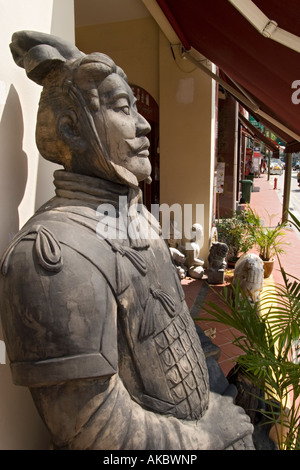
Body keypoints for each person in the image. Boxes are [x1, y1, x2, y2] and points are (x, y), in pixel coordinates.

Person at [0, 31, 254, 450]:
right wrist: (206, 440)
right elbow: (92, 428)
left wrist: (217, 400)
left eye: (136, 107)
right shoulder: (53, 256)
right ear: (72, 129)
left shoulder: (136, 219)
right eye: (122, 107)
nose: (143, 123)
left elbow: (178, 329)